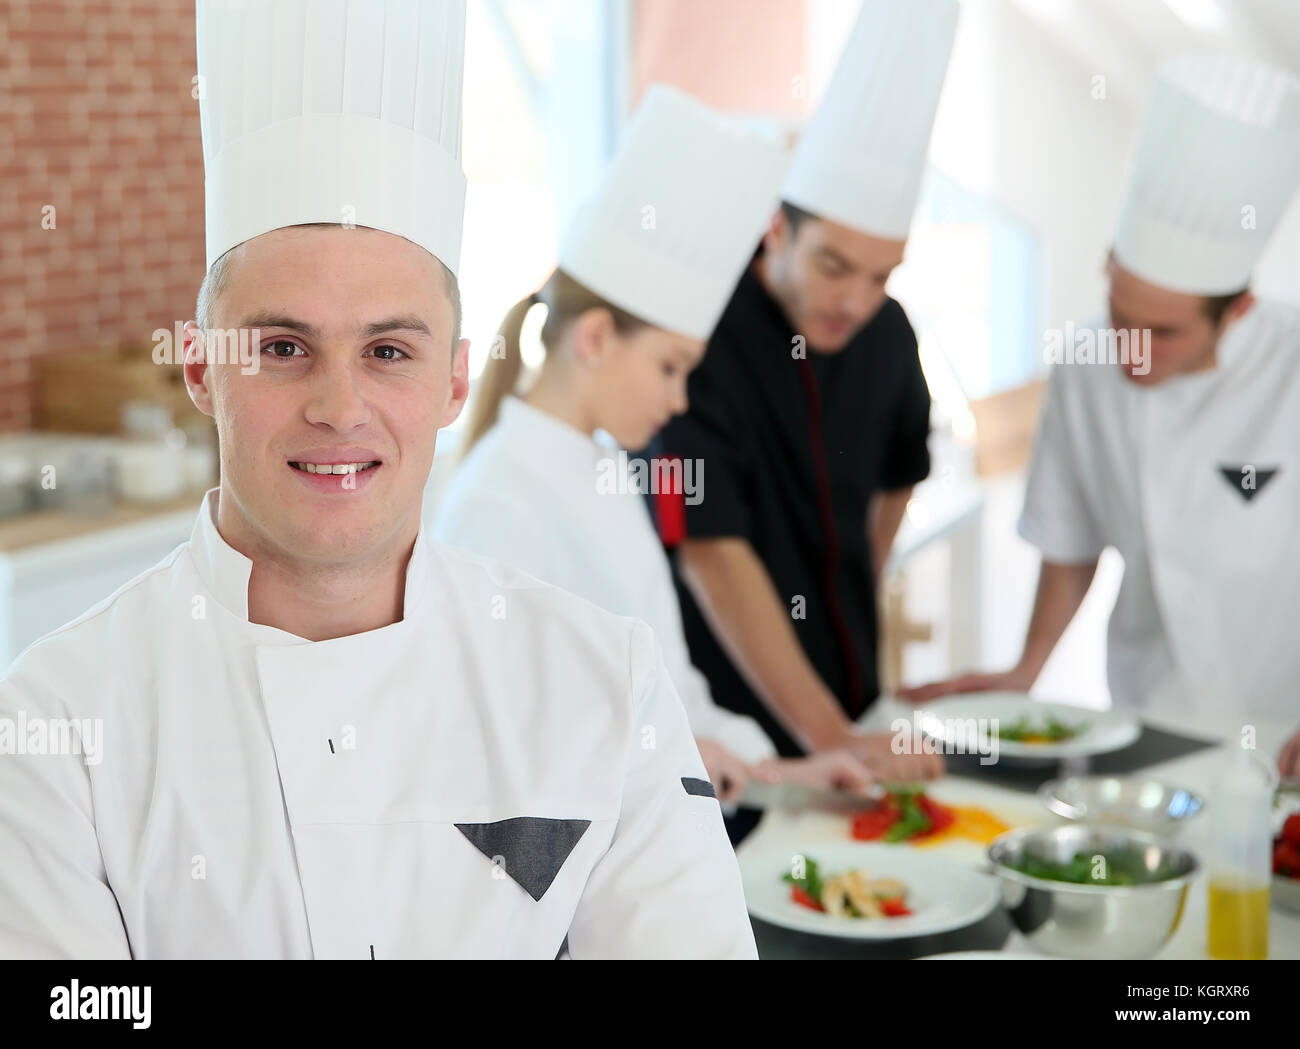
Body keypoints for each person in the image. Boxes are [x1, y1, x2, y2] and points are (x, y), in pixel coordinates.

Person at [0, 0, 756, 960]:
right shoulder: (54, 725)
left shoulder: (607, 683)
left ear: (453, 382)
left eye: (388, 351)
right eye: (283, 347)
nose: (339, 406)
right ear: (199, 367)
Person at [434, 87, 892, 834]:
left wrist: (786, 776)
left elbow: (667, 689)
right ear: (595, 339)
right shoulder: (499, 503)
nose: (679, 400)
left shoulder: (601, 469)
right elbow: (500, 744)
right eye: (670, 367)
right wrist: (665, 756)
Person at [901, 54, 1300, 778]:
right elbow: (1071, 538)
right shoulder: (1085, 364)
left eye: (1164, 333)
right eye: (1120, 318)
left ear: (1238, 309)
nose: (1132, 350)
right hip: (1147, 715)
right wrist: (1025, 670)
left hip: (1284, 724)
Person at [651, 0, 958, 763]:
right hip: (734, 734)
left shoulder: (890, 333)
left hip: (854, 695)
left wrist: (855, 579)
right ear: (777, 230)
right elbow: (709, 552)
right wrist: (831, 740)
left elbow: (900, 475)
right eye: (833, 265)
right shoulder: (698, 337)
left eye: (881, 275)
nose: (854, 300)